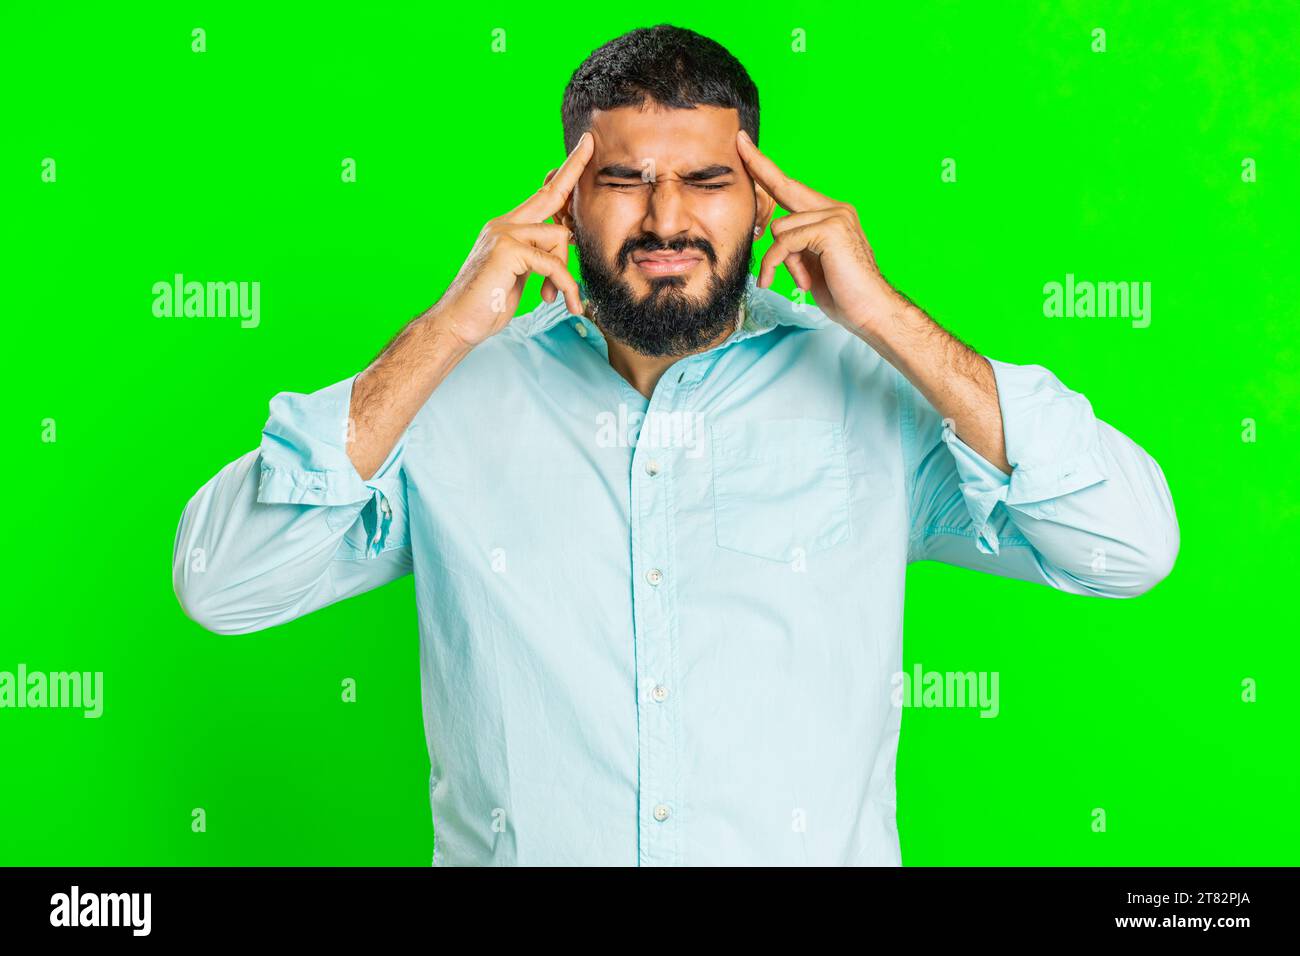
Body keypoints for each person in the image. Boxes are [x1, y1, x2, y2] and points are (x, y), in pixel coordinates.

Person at [172, 24, 1179, 866]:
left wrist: (884, 320)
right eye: (624, 180)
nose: (666, 218)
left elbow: (1127, 547)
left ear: (761, 201)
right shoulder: (449, 404)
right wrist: (444, 331)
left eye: (705, 179)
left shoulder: (875, 395)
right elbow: (222, 583)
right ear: (565, 197)